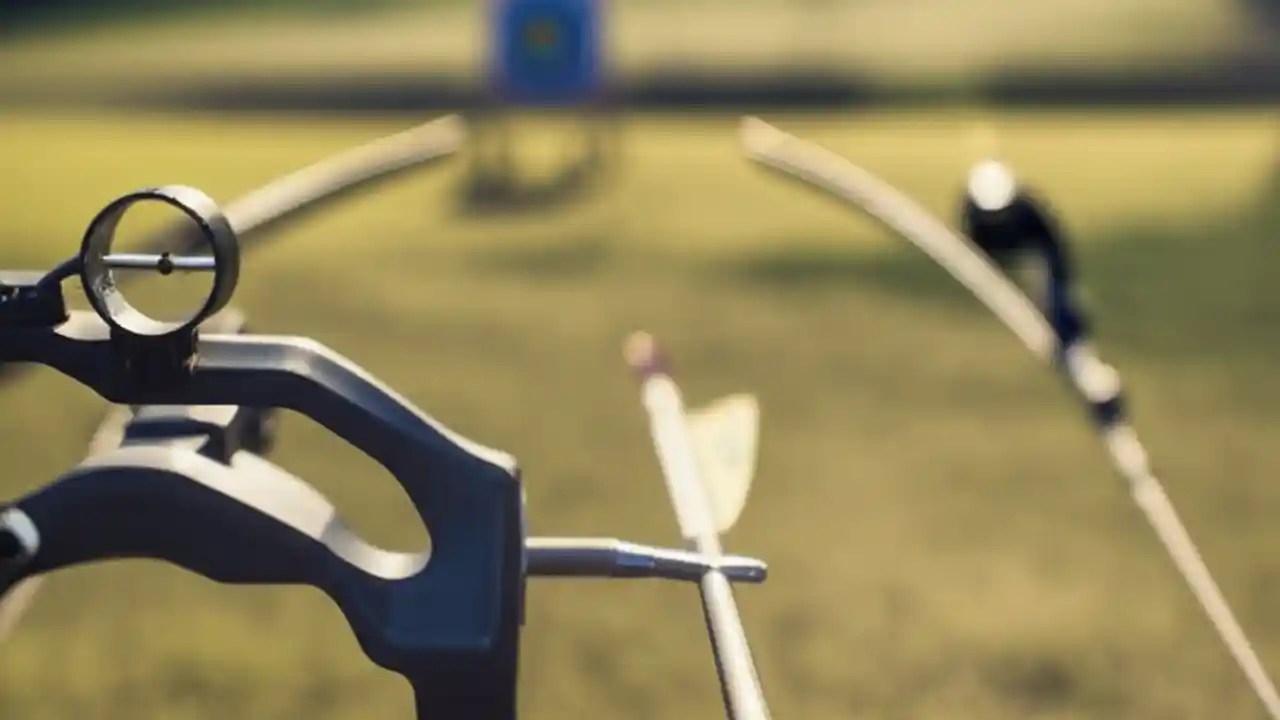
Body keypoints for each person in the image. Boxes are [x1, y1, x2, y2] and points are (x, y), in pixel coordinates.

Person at [961, 160, 1087, 347]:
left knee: (1054, 297)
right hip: (999, 254)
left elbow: (1052, 245)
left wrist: (1056, 280)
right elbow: (975, 245)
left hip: (1032, 251)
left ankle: (1071, 340)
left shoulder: (1028, 210)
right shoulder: (973, 214)